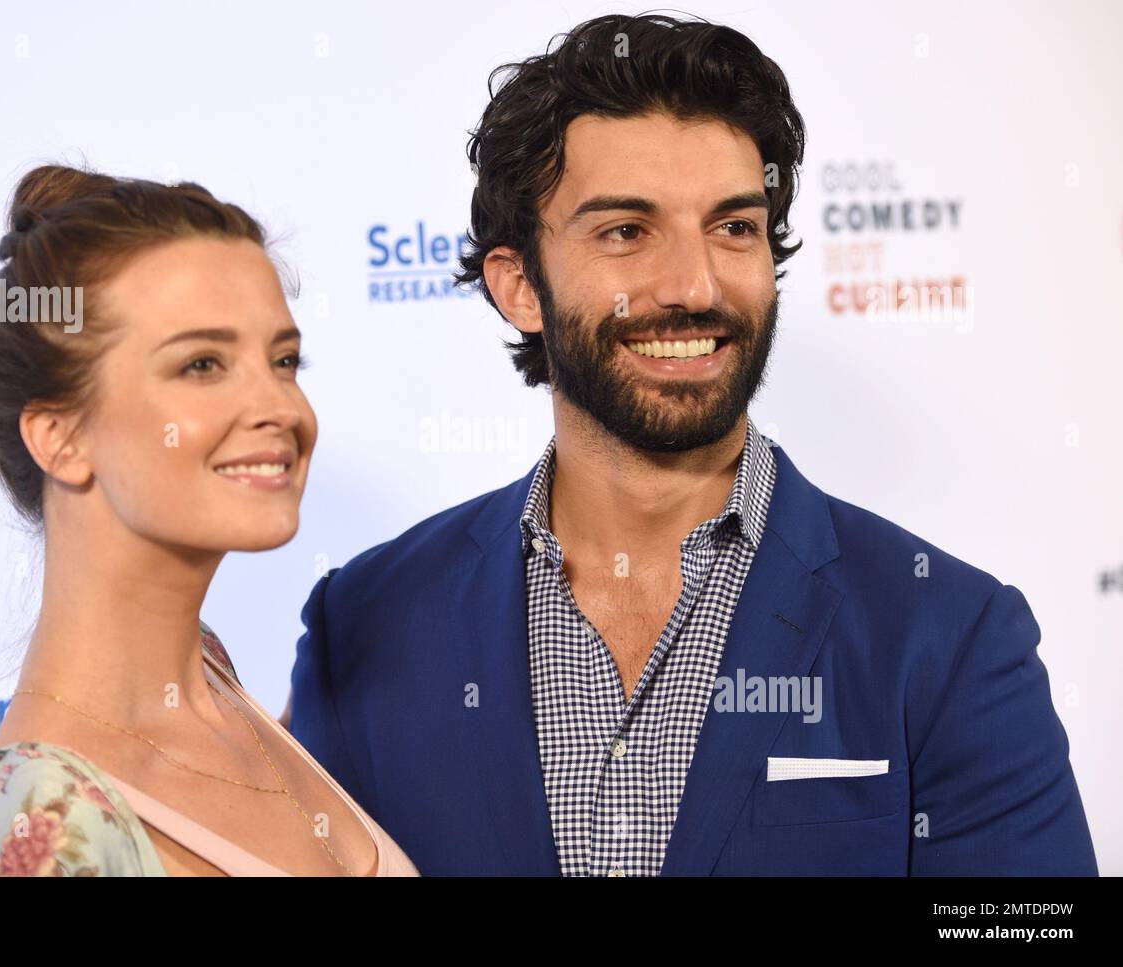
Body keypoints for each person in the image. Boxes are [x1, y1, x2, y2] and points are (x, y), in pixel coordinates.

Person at [286, 13, 1097, 875]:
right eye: (627, 231)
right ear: (520, 284)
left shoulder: (947, 633)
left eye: (733, 227)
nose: (694, 284)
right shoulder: (365, 626)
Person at [0, 164, 418, 877]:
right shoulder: (46, 830)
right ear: (61, 437)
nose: (283, 409)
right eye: (202, 364)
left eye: (284, 360)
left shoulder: (207, 670)